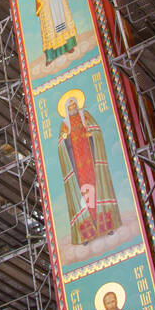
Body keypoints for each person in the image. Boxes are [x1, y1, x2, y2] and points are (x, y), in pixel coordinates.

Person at [57, 92, 120, 244]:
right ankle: (86, 234)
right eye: (69, 106)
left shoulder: (85, 116)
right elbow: (60, 146)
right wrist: (64, 140)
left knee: (97, 189)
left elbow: (96, 131)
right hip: (77, 165)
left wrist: (91, 134)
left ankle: (106, 227)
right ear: (66, 109)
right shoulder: (65, 125)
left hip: (90, 159)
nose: (72, 108)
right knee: (83, 193)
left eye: (74, 105)